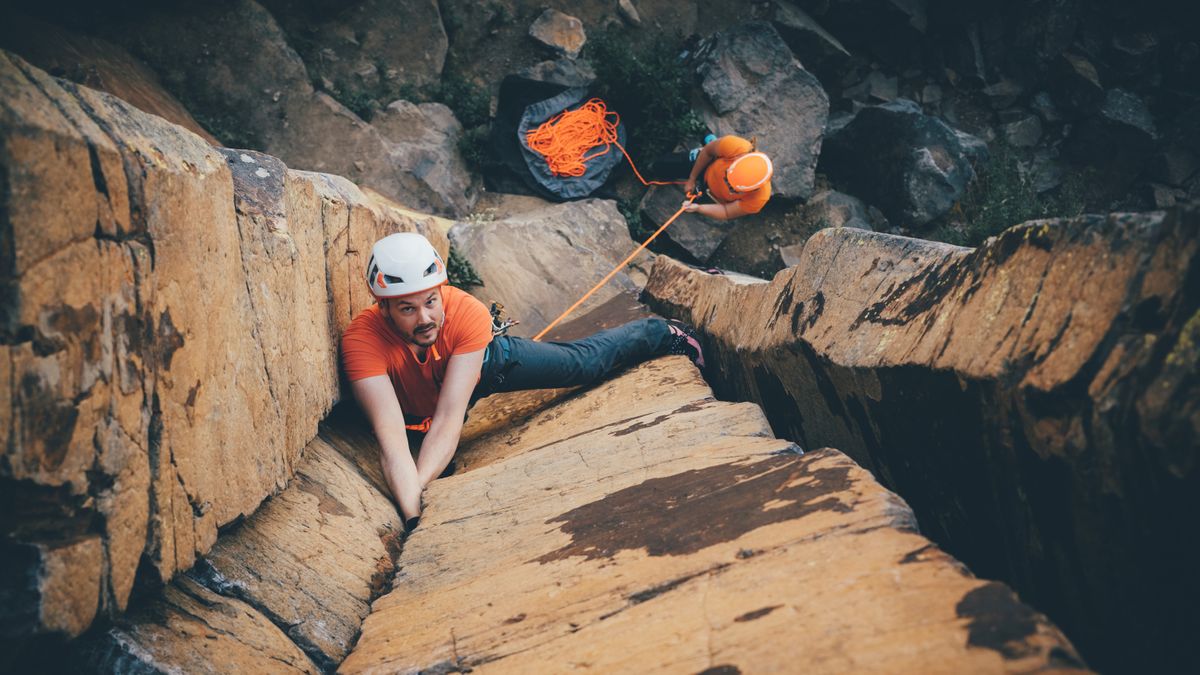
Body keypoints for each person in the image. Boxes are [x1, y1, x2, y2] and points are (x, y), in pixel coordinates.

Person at [340, 232, 705, 530]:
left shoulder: (466, 312)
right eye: (407, 308)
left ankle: (658, 333)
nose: (425, 318)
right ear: (383, 307)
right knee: (421, 452)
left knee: (582, 364)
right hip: (418, 407)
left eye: (431, 302)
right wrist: (414, 513)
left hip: (483, 365)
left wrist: (414, 498)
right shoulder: (362, 343)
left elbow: (450, 418)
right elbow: (392, 442)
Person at [652, 134, 773, 220]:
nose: (727, 185)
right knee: (664, 164)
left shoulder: (758, 198)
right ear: (737, 160)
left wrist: (699, 208)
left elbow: (727, 212)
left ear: (752, 190)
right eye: (727, 178)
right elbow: (707, 152)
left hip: (714, 195)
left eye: (733, 189)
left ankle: (712, 139)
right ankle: (710, 139)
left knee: (696, 205)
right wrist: (692, 179)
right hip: (708, 165)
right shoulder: (736, 146)